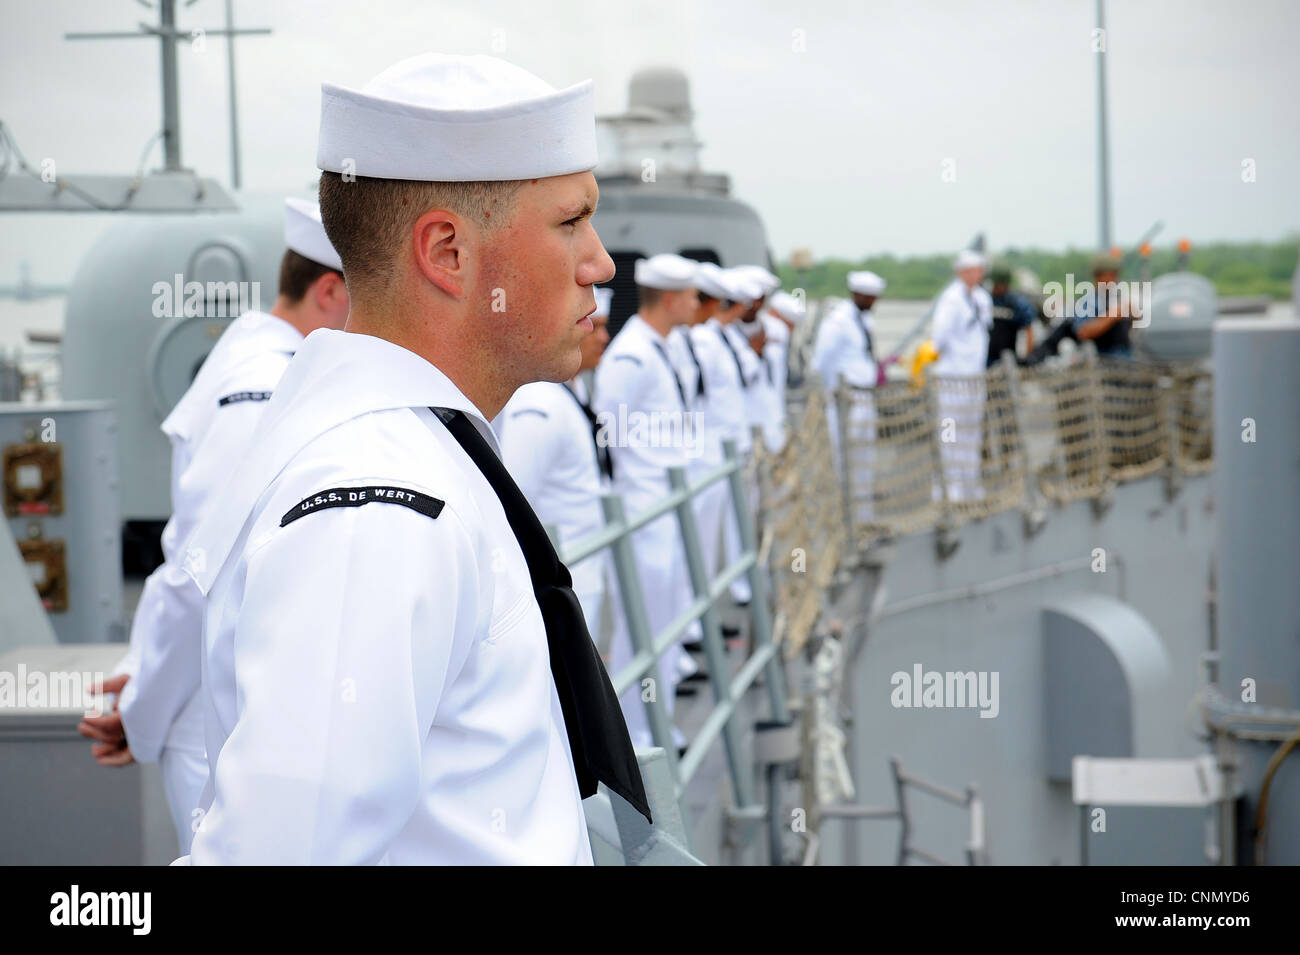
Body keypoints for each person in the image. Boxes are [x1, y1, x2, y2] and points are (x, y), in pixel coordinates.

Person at [178, 52, 647, 865]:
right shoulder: (379, 507)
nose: (600, 262)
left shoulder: (420, 450)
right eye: (571, 221)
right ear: (449, 254)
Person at [78, 198, 349, 854]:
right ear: (331, 290)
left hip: (236, 704)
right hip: (219, 720)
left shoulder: (266, 369)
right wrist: (140, 708)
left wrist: (144, 684)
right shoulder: (261, 388)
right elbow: (204, 569)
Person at [593, 252, 700, 748]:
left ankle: (656, 721)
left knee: (664, 623)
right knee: (641, 631)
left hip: (665, 508)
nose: (698, 304)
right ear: (673, 299)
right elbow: (608, 433)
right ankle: (633, 734)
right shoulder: (632, 355)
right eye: (693, 296)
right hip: (642, 511)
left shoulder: (660, 347)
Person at [497, 285, 613, 645]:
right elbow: (515, 502)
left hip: (584, 566)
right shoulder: (539, 403)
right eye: (593, 325)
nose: (603, 338)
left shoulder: (570, 389)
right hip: (564, 576)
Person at [812, 270, 885, 521]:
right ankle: (840, 518)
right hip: (846, 400)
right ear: (859, 295)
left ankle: (864, 518)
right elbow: (821, 362)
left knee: (865, 459)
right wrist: (831, 393)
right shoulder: (838, 322)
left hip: (865, 397)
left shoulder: (864, 320)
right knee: (842, 461)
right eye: (871, 298)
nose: (875, 303)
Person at [931, 250, 993, 502]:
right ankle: (948, 487)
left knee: (971, 431)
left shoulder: (982, 298)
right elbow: (939, 338)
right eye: (969, 270)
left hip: (974, 377)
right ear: (960, 272)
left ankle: (970, 485)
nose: (974, 274)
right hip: (951, 378)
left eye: (977, 270)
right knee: (949, 432)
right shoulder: (951, 299)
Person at [1073, 253, 1134, 358]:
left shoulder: (1117, 297)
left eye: (1115, 275)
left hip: (1125, 357)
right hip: (1102, 360)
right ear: (1098, 276)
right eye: (1110, 275)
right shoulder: (1087, 302)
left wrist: (1133, 315)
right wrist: (1113, 315)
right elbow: (1083, 332)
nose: (1114, 279)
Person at [986, 262, 1037, 367]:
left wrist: (1026, 360)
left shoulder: (1016, 303)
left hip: (1006, 359)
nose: (995, 287)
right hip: (985, 357)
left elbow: (1029, 331)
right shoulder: (985, 299)